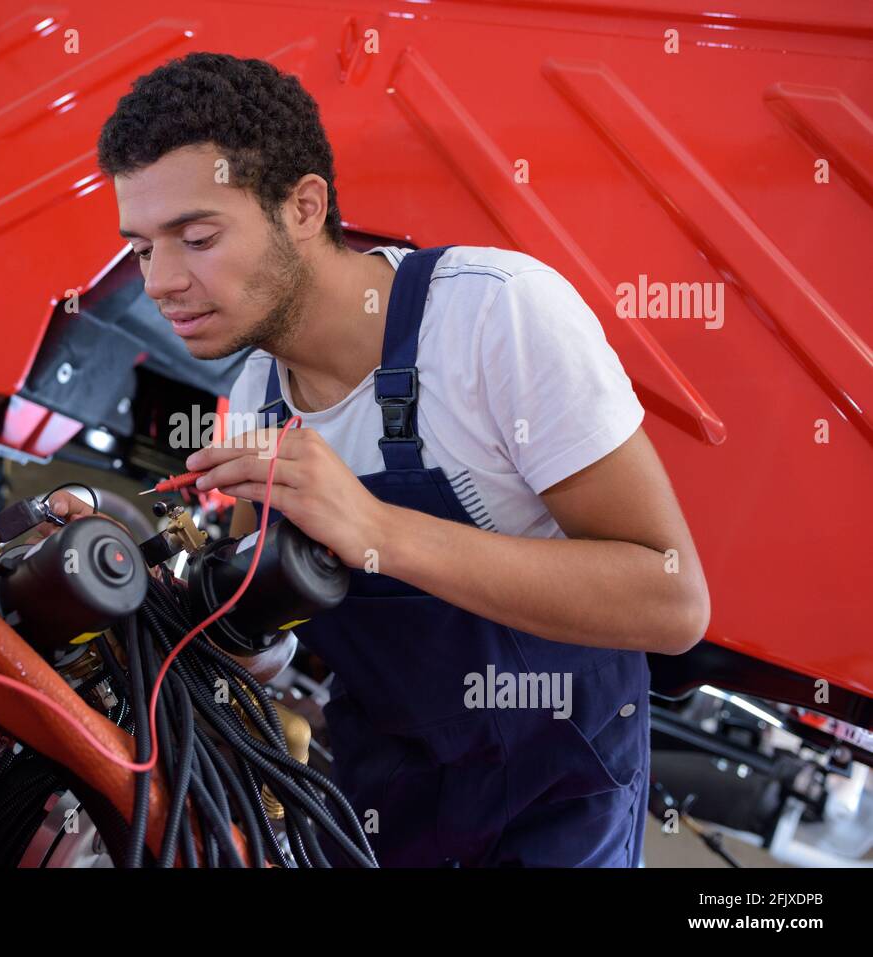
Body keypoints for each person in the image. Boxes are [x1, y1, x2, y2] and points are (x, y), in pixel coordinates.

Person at [55, 51, 711, 866]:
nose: (160, 281)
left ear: (303, 206)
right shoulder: (256, 393)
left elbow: (672, 599)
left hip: (555, 806)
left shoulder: (490, 317)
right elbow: (279, 628)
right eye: (143, 247)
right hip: (383, 811)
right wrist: (190, 615)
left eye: (195, 236)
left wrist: (376, 528)